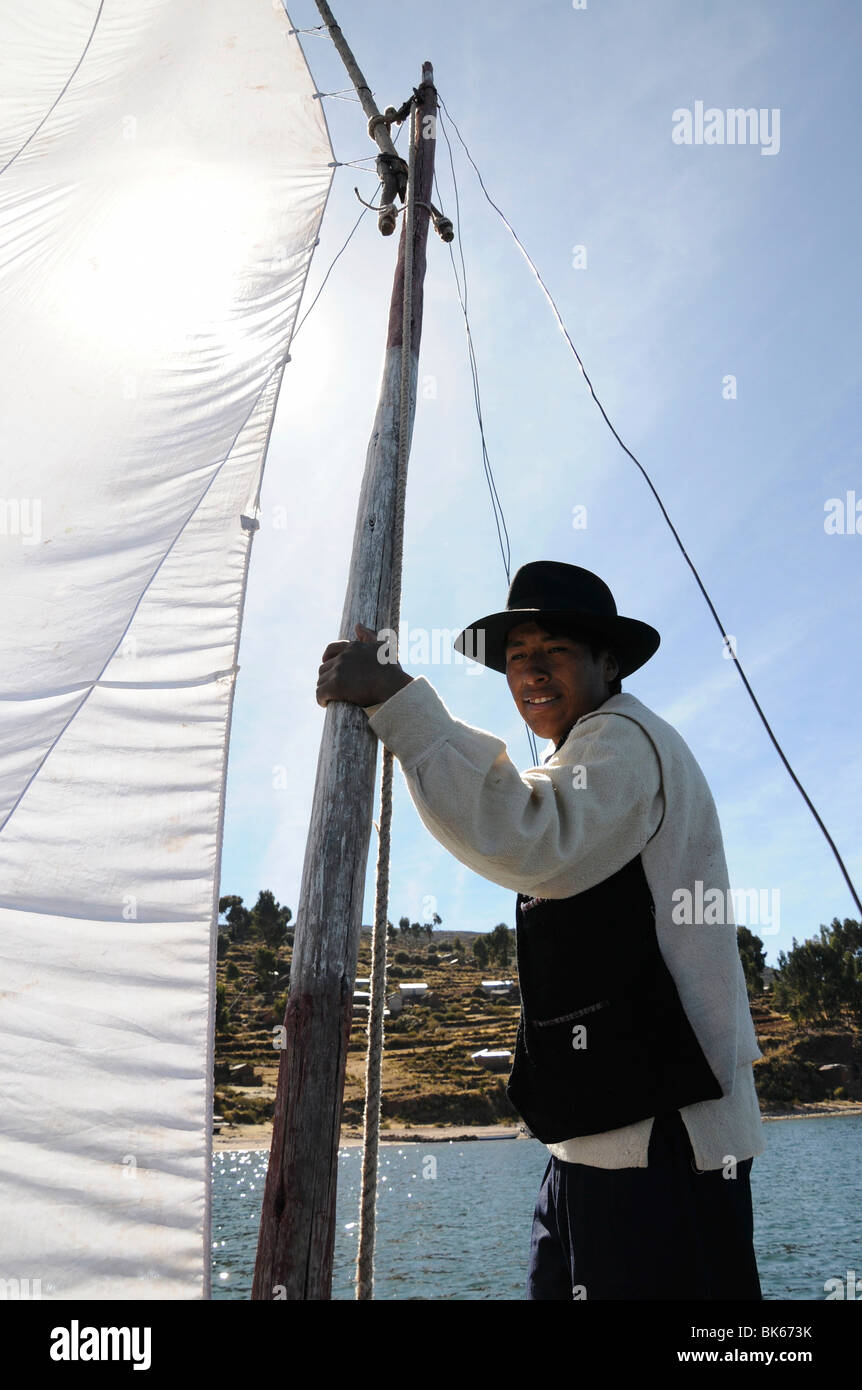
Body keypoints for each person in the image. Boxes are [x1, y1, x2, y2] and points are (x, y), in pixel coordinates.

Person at [316, 560, 764, 1301]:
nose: (530, 670)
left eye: (553, 650)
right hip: (600, 1142)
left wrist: (396, 700)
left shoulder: (623, 738)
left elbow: (529, 835)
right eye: (517, 657)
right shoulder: (586, 752)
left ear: (607, 663)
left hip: (664, 1142)